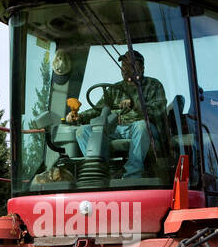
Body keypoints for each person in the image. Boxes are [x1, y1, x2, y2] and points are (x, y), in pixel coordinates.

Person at [66, 50, 166, 179]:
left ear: (141, 68)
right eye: (123, 65)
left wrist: (136, 106)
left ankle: (132, 174)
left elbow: (158, 110)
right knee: (82, 131)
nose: (125, 68)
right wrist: (80, 116)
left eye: (130, 65)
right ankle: (99, 170)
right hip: (117, 128)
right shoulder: (114, 89)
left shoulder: (154, 85)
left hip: (143, 128)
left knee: (142, 126)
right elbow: (99, 109)